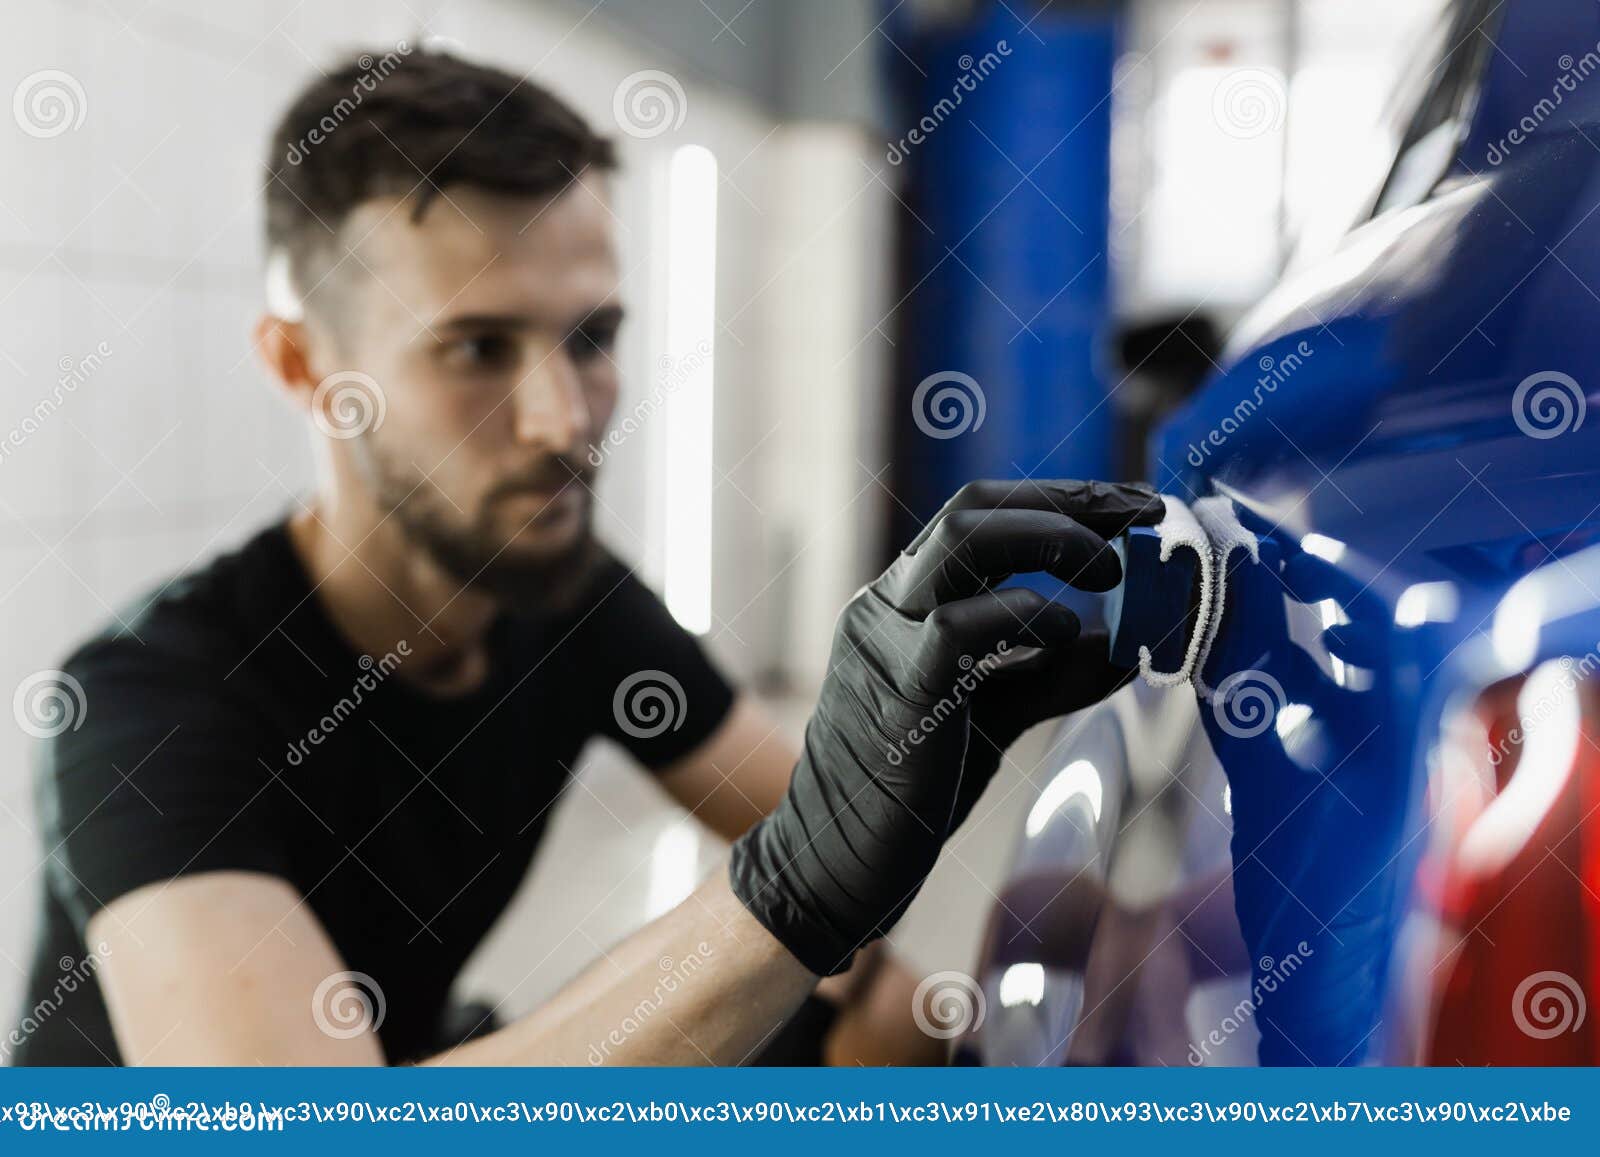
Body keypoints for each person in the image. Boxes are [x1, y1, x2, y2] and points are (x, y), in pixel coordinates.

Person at [11, 48, 1162, 1066]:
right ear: (308, 368)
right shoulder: (142, 703)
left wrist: (1138, 932)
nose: (564, 418)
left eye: (593, 337)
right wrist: (791, 893)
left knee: (878, 1020)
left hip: (419, 1062)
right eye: (476, 347)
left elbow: (814, 812)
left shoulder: (568, 604)